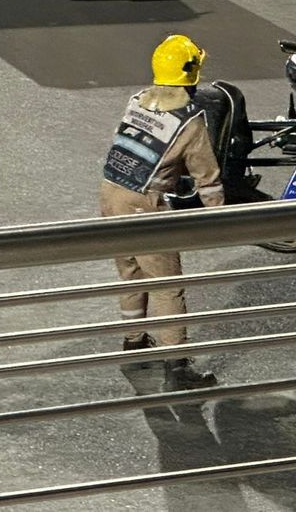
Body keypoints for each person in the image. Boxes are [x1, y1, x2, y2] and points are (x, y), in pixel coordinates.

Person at [99, 34, 223, 390]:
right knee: (168, 287)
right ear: (192, 72)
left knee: (131, 273)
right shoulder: (190, 120)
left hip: (110, 196)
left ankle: (134, 344)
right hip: (144, 205)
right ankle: (177, 368)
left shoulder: (137, 101)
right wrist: (220, 217)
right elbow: (207, 176)